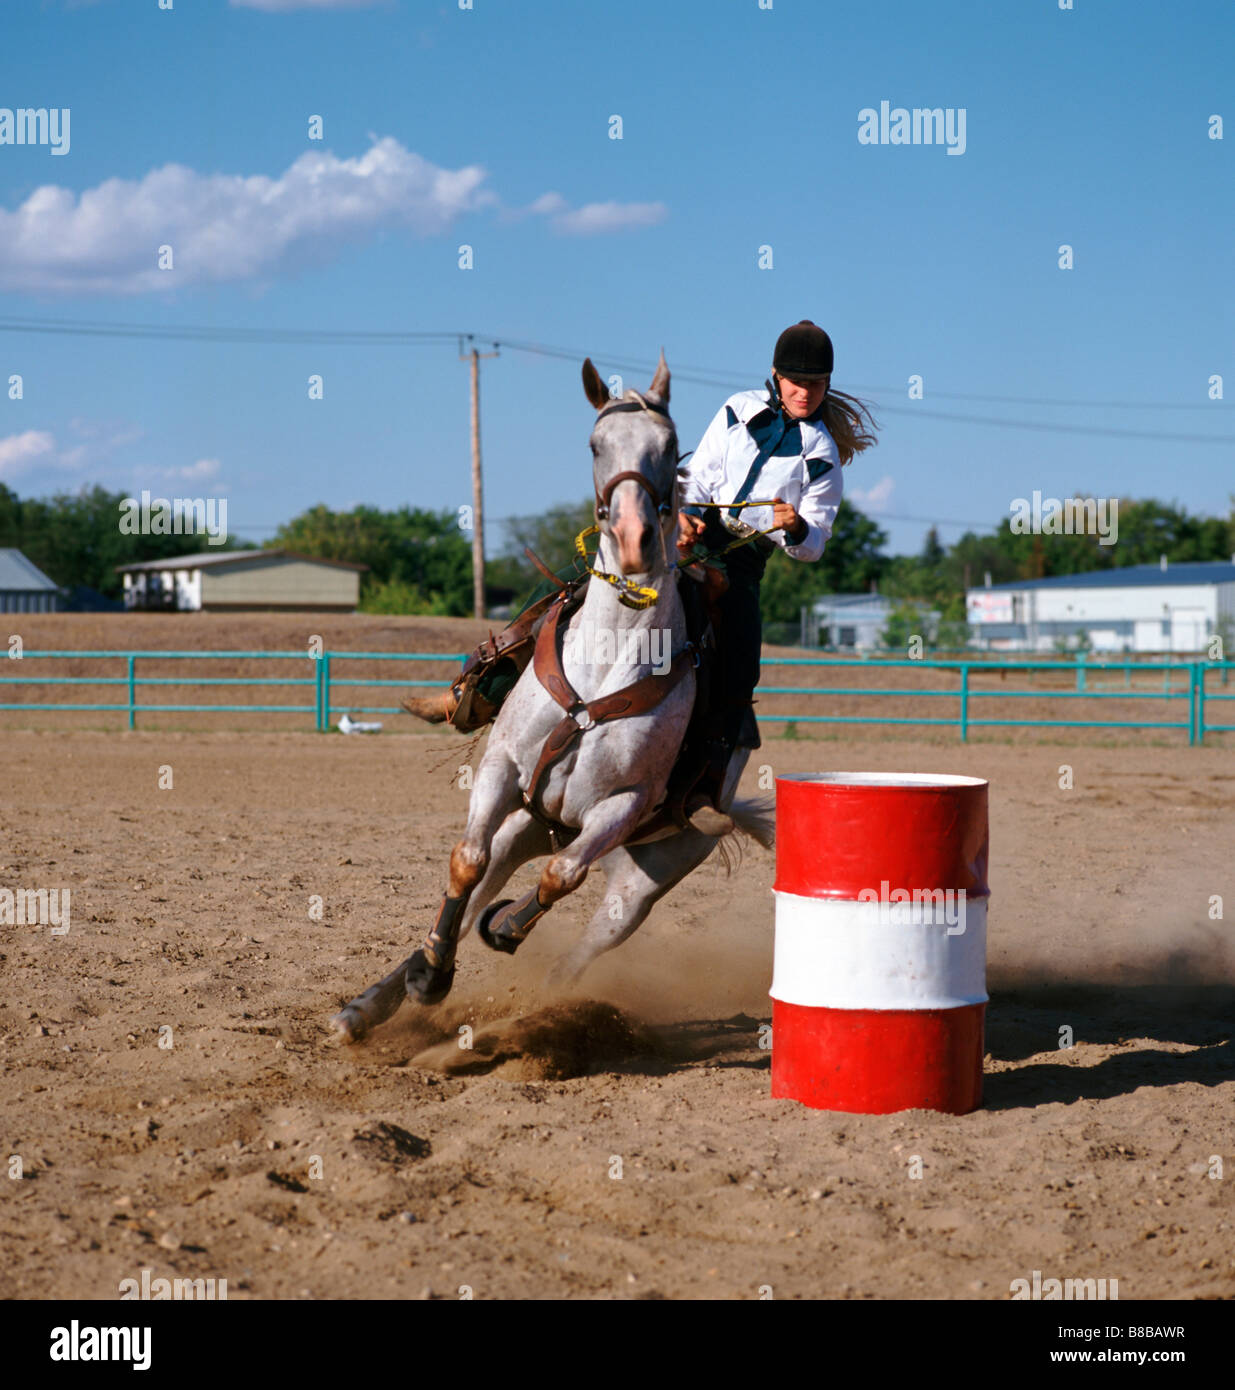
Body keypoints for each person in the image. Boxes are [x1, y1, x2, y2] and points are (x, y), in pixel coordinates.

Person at [673, 319, 879, 835]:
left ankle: (706, 787)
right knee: (589, 577)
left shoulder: (823, 453)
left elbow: (815, 547)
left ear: (827, 385)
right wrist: (683, 515)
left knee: (740, 669)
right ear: (775, 375)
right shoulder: (737, 409)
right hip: (693, 536)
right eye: (795, 381)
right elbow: (697, 475)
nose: (804, 392)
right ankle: (487, 677)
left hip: (742, 565)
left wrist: (795, 525)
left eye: (814, 384)